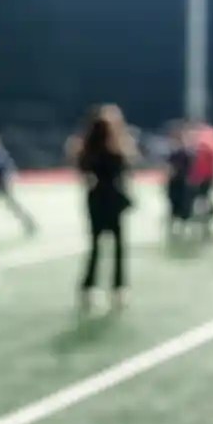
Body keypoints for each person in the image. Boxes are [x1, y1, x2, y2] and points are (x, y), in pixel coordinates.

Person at [72, 104, 137, 313]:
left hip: (102, 198)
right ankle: (109, 287)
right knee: (107, 245)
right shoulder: (108, 146)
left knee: (107, 245)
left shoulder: (94, 147)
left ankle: (103, 287)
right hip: (106, 198)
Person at [0, 131, 38, 236]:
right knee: (12, 205)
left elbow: (3, 170)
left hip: (0, 184)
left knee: (12, 206)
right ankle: (29, 224)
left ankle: (29, 224)